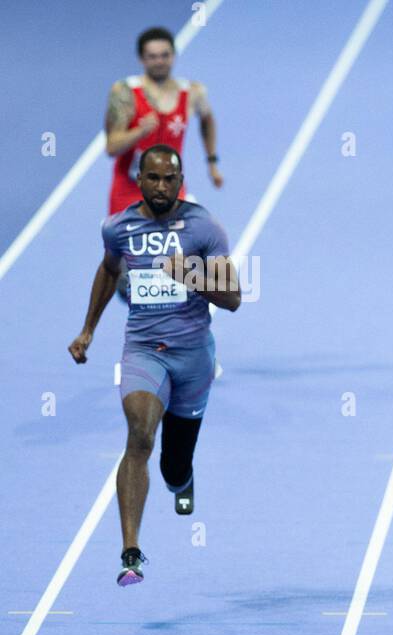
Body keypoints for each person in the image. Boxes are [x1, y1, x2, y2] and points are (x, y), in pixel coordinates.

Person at [68, 145, 241, 586]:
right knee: (139, 435)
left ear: (180, 181)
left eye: (171, 179)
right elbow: (109, 272)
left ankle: (182, 479)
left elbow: (234, 297)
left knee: (172, 465)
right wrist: (88, 329)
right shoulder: (119, 227)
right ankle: (131, 552)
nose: (162, 187)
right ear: (139, 180)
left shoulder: (204, 226)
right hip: (143, 351)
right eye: (154, 179)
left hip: (194, 357)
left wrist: (192, 277)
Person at [105, 26, 222, 216]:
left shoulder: (192, 93)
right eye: (152, 56)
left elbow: (207, 120)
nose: (159, 61)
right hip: (129, 189)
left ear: (174, 56)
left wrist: (212, 162)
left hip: (170, 188)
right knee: (127, 246)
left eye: (165, 55)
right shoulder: (124, 93)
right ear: (141, 59)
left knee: (181, 244)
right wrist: (139, 132)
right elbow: (111, 147)